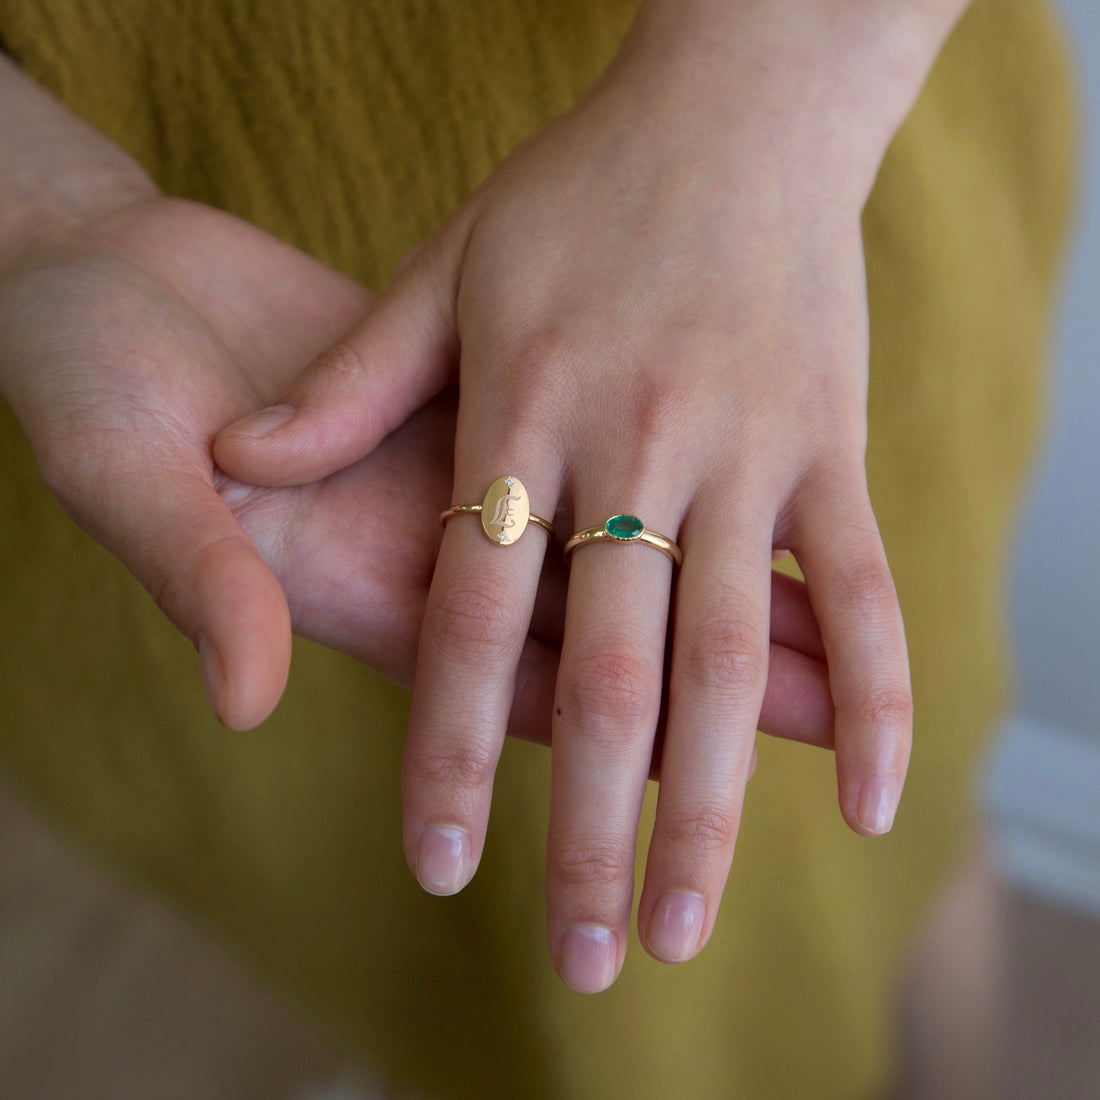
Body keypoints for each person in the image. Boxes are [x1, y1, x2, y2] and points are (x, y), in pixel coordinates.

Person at [0, 0, 1076, 1096]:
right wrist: (41, 207)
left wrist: (749, 101)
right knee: (398, 909)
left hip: (772, 253)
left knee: (865, 808)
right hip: (158, 341)